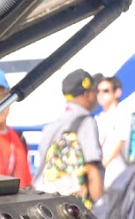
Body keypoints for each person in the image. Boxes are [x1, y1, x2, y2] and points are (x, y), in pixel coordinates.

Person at [36, 69, 103, 205]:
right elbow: (91, 169)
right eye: (95, 91)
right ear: (87, 94)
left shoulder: (51, 126)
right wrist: (101, 206)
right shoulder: (85, 122)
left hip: (46, 200)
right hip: (74, 204)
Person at [94, 74, 134, 186]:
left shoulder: (122, 114)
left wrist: (100, 168)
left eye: (106, 91)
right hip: (101, 175)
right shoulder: (98, 118)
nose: (101, 95)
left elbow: (118, 144)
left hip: (116, 173)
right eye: (98, 91)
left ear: (117, 92)